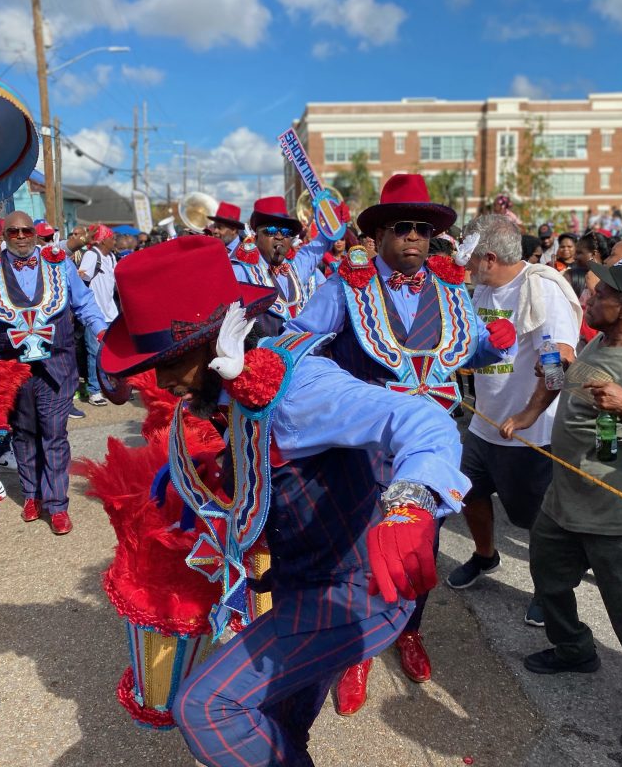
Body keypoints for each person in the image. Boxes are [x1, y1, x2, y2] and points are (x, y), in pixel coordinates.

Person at [98, 234, 471, 767]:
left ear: (213, 341)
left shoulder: (299, 388)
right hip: (304, 585)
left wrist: (410, 503)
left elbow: (423, 421)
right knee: (279, 729)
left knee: (208, 708)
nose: (160, 381)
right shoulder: (239, 382)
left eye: (170, 360)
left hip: (357, 591)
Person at [286, 176, 516, 712]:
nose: (415, 238)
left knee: (422, 543)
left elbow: (467, 352)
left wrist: (491, 345)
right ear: (381, 233)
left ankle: (410, 629)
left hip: (429, 448)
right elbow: (297, 342)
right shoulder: (347, 287)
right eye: (403, 227)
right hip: (363, 447)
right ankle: (357, 649)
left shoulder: (453, 292)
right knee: (361, 544)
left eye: (424, 229)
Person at [507, 254, 622, 753]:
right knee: (547, 581)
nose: (588, 298)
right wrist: (527, 416)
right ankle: (573, 649)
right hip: (564, 501)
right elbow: (567, 379)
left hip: (618, 518)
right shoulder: (601, 339)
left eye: (600, 293)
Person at [445, 213, 580, 625]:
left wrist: (528, 414)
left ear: (488, 257)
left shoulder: (542, 290)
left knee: (539, 521)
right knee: (468, 492)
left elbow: (560, 363)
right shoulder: (482, 289)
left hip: (531, 433)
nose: (465, 265)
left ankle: (548, 589)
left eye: (470, 257)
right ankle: (485, 557)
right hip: (485, 423)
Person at [0, 211, 107, 535]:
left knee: (54, 432)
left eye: (27, 230)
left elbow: (84, 304)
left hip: (58, 364)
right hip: (13, 368)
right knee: (24, 433)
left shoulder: (59, 263)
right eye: (14, 232)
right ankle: (31, 494)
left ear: (37, 234)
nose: (22, 236)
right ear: (4, 238)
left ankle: (56, 504)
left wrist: (101, 331)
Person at [229, 197, 330, 335]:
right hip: (262, 353)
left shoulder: (296, 267)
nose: (280, 237)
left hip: (300, 351)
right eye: (271, 230)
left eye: (286, 233)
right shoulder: (240, 271)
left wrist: (329, 213)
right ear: (256, 236)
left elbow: (323, 241)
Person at [77, 224, 118, 407]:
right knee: (95, 353)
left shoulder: (110, 256)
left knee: (110, 353)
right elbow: (81, 278)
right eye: (112, 237)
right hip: (95, 314)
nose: (114, 240)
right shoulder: (92, 255)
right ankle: (94, 390)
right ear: (102, 239)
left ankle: (110, 387)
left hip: (111, 313)